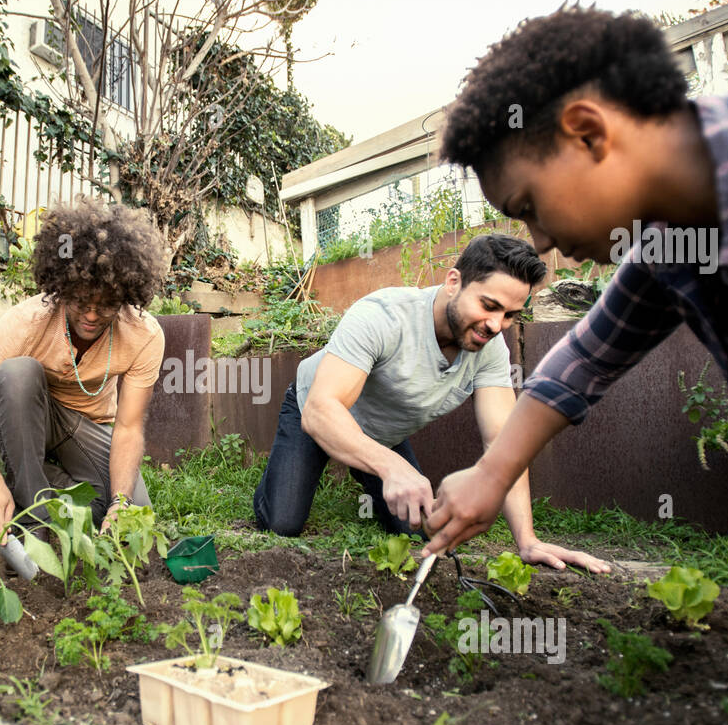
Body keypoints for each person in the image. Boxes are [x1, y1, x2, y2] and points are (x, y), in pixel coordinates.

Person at [424, 7, 728, 725]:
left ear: (590, 131)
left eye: (528, 203)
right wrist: (490, 475)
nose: (541, 239)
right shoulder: (673, 235)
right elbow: (589, 353)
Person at [253, 232, 609, 574]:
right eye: (489, 305)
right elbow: (321, 410)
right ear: (453, 281)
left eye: (511, 315)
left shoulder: (490, 350)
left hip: (383, 433)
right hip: (319, 409)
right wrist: (392, 467)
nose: (496, 325)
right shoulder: (383, 315)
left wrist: (527, 541)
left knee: (421, 532)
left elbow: (503, 441)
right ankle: (295, 476)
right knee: (283, 522)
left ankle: (374, 483)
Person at [0, 198, 167, 541]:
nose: (92, 315)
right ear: (61, 287)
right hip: (26, 420)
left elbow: (127, 427)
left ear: (125, 297)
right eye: (81, 301)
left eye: (106, 305)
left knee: (125, 518)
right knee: (18, 373)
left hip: (88, 428)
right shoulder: (25, 323)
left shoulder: (144, 334)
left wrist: (121, 501)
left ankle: (27, 483)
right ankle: (32, 519)